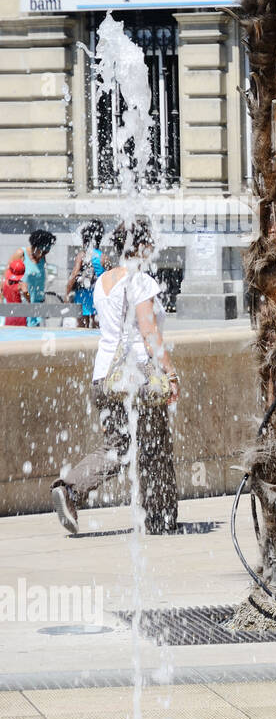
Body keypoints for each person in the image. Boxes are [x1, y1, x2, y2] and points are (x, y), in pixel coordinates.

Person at [51, 220, 180, 536]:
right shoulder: (140, 280)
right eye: (151, 243)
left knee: (118, 448)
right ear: (142, 245)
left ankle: (70, 488)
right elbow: (148, 331)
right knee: (154, 444)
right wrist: (171, 373)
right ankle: (159, 517)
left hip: (103, 376)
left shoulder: (102, 282)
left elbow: (108, 330)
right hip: (136, 375)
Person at [4, 229, 55, 327]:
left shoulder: (42, 258)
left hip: (37, 306)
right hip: (20, 306)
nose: (44, 254)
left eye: (47, 252)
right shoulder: (21, 254)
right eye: (43, 251)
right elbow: (6, 279)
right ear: (35, 246)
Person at [65, 220, 105, 329]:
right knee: (97, 324)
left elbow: (74, 275)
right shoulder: (103, 257)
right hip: (98, 294)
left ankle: (83, 346)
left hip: (82, 295)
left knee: (82, 325)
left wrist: (67, 293)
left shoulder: (82, 255)